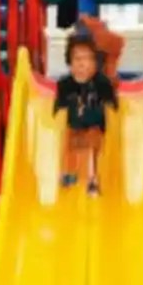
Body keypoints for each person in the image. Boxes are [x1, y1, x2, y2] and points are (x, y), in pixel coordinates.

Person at [54, 34, 118, 196]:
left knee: (92, 138)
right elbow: (58, 110)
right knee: (70, 138)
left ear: (95, 63)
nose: (83, 64)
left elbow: (113, 104)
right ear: (70, 63)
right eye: (77, 59)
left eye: (88, 59)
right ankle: (69, 172)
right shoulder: (65, 85)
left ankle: (93, 178)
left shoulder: (101, 83)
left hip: (95, 123)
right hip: (74, 123)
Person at [56, 0, 125, 81]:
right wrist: (99, 25)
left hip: (86, 35)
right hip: (85, 36)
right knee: (116, 42)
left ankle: (108, 74)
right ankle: (110, 75)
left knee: (113, 44)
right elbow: (84, 18)